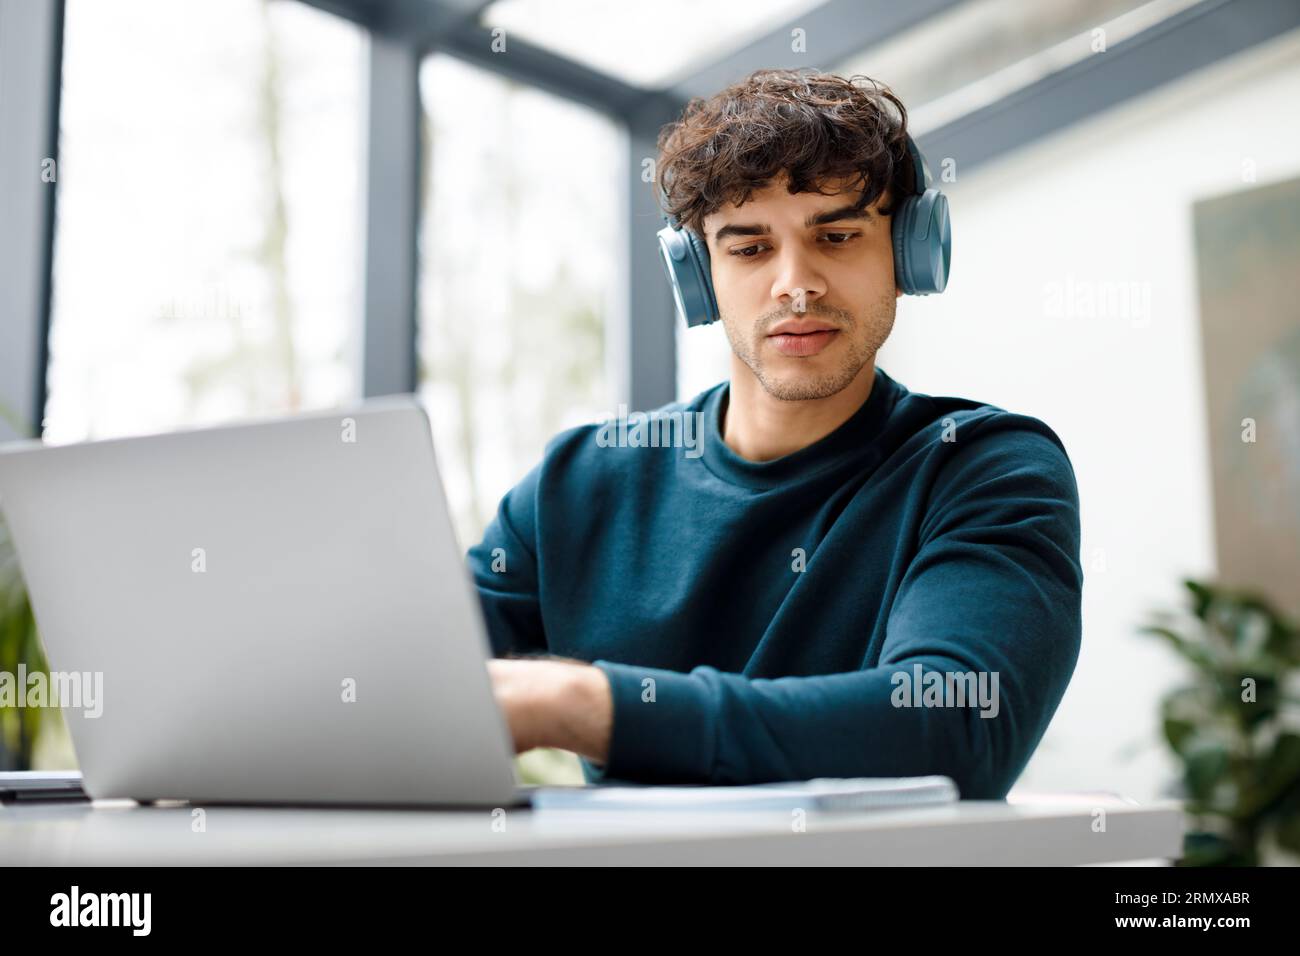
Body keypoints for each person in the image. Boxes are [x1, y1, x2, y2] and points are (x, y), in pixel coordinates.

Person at [468, 68, 1082, 800]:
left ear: (910, 255)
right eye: (749, 247)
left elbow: (955, 724)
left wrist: (578, 705)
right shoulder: (579, 482)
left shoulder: (983, 468)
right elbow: (400, 677)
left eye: (838, 234)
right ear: (698, 277)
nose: (796, 283)